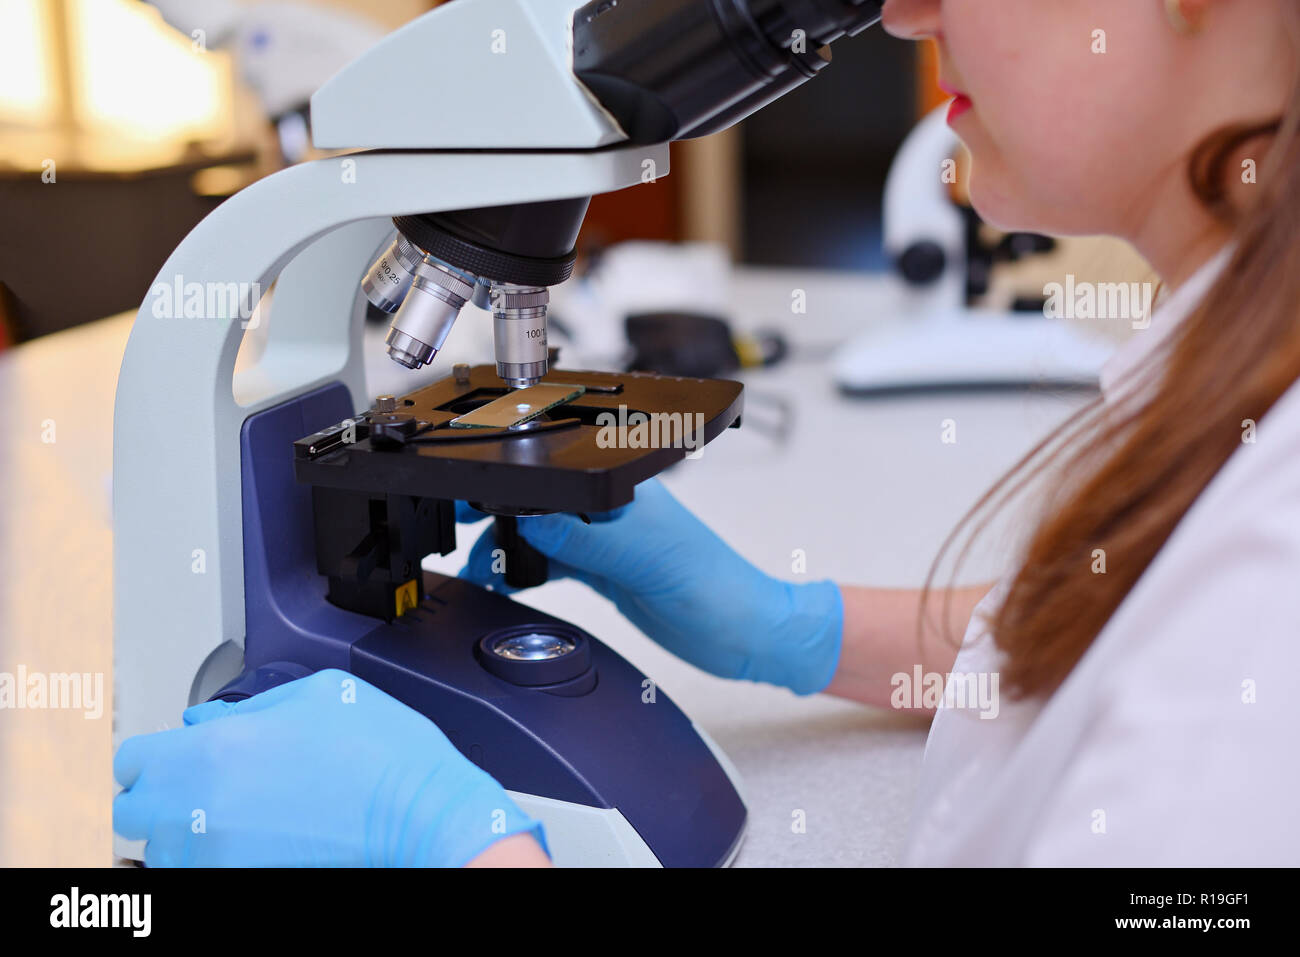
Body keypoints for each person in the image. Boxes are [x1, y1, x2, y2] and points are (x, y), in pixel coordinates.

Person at [113, 0, 1300, 866]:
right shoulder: (1233, 383)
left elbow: (1196, 684)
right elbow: (1106, 662)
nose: (906, 10)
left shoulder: (1264, 603)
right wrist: (792, 630)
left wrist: (458, 850)